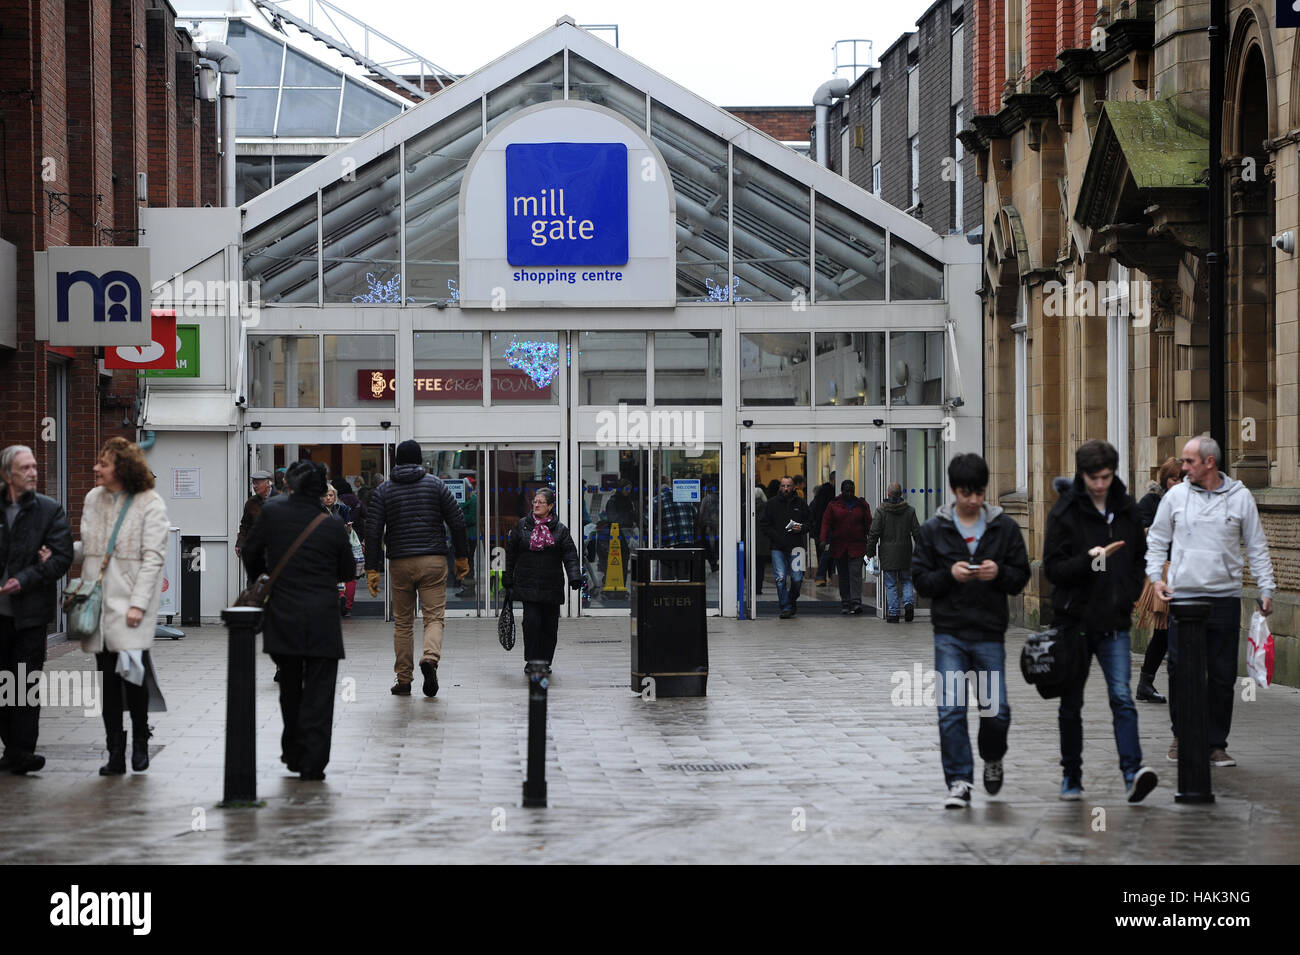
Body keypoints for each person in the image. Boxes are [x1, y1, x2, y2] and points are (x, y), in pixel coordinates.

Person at [1148, 436, 1275, 767]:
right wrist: (1156, 579)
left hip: (1224, 597)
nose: (1183, 467)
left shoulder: (1240, 498)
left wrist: (1266, 589)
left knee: (1220, 674)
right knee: (1180, 669)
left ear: (1209, 463)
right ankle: (1182, 735)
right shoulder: (1175, 497)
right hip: (1183, 597)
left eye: (1190, 462)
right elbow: (1158, 539)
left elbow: (1257, 546)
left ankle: (1216, 743)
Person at [912, 453, 1030, 809]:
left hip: (989, 632)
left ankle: (992, 757)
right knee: (951, 710)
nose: (974, 500)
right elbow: (920, 581)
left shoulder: (1003, 527)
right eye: (967, 493)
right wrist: (950, 575)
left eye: (979, 493)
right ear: (954, 491)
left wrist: (1000, 573)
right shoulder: (935, 529)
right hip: (949, 632)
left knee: (997, 712)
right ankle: (959, 781)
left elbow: (1021, 574)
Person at [1042, 439, 1157, 803]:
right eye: (1093, 478)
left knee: (1122, 697)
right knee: (1071, 702)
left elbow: (1139, 556)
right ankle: (1071, 777)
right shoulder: (1065, 512)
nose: (1099, 485)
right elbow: (1053, 569)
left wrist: (1130, 591)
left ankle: (1132, 773)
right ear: (1082, 474)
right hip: (1073, 621)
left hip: (1114, 621)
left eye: (1105, 477)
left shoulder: (1126, 510)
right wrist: (1088, 560)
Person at [243, 461, 354, 780]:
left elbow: (250, 552)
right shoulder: (331, 524)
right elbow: (347, 572)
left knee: (290, 686)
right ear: (321, 489)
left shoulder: (273, 513)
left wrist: (263, 576)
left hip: (283, 614)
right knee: (320, 691)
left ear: (288, 484)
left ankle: (293, 748)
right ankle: (314, 760)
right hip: (322, 619)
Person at [76, 437, 170, 776]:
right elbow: (89, 549)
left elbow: (153, 558)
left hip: (131, 606)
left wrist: (139, 604)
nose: (95, 468)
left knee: (133, 678)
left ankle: (140, 742)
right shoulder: (92, 499)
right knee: (108, 684)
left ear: (122, 468)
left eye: (103, 463)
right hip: (99, 605)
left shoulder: (150, 503)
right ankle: (115, 751)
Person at [364, 440, 468, 698]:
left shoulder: (384, 490)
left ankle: (403, 680)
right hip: (433, 560)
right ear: (420, 460)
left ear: (397, 461)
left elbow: (374, 531)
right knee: (434, 617)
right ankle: (430, 659)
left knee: (403, 623)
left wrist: (371, 568)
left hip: (400, 562)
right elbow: (457, 521)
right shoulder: (436, 485)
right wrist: (462, 557)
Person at [0, 445, 73, 775]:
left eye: (34, 466)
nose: (33, 472)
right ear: (7, 475)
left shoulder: (50, 510)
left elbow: (60, 558)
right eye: (25, 468)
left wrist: (25, 578)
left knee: (22, 684)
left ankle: (22, 752)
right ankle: (13, 748)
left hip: (29, 615)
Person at [503, 487, 582, 672]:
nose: (536, 505)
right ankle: (532, 661)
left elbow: (570, 555)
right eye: (535, 502)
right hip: (527, 583)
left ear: (551, 506)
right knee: (531, 622)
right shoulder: (522, 525)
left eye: (541, 502)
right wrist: (507, 577)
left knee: (549, 626)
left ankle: (545, 661)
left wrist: (575, 577)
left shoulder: (561, 530)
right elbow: (511, 553)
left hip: (551, 585)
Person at [1132, 456, 1183, 704]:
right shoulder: (1151, 501)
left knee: (1176, 630)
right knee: (1164, 631)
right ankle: (1145, 683)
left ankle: (1148, 683)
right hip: (1162, 573)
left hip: (1187, 573)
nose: (1179, 482)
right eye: (1174, 478)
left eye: (1182, 478)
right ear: (1165, 479)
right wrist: (1161, 526)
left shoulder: (1190, 500)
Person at [867, 482, 922, 623]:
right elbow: (917, 532)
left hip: (888, 553)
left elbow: (874, 533)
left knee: (891, 583)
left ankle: (894, 613)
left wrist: (870, 551)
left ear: (888, 493)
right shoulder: (910, 510)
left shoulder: (881, 511)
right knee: (906, 580)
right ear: (901, 494)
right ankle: (908, 603)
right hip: (905, 552)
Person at [759, 476, 811, 619]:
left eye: (788, 486)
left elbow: (809, 522)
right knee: (780, 578)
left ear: (794, 487)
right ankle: (786, 607)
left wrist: (801, 528)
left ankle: (791, 599)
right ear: (780, 487)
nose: (786, 488)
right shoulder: (771, 504)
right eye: (783, 485)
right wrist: (776, 536)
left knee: (797, 579)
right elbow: (764, 524)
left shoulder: (800, 504)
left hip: (796, 547)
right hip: (777, 547)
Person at [820, 479, 871, 614]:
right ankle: (845, 601)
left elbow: (868, 522)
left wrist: (871, 537)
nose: (849, 493)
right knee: (843, 575)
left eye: (851, 491)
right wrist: (823, 539)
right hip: (839, 546)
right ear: (842, 491)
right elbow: (826, 522)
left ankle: (856, 602)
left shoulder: (861, 505)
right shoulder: (833, 505)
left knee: (855, 574)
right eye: (847, 491)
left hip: (857, 545)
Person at [323, 484, 357, 617]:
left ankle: (345, 604)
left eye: (331, 495)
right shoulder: (317, 510)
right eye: (325, 495)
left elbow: (348, 525)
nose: (328, 498)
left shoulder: (342, 508)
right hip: (325, 547)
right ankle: (336, 601)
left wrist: (347, 529)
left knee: (347, 576)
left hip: (341, 545)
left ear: (335, 496)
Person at [657, 476, 698, 578]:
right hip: (685, 541)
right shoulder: (684, 496)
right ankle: (684, 591)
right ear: (670, 484)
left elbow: (647, 517)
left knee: (667, 574)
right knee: (683, 572)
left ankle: (669, 592)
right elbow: (695, 512)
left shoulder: (657, 500)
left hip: (668, 542)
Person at [235, 470, 275, 562]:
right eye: (253, 483)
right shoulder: (251, 503)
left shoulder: (281, 499)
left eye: (257, 483)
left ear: (268, 483)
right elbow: (245, 526)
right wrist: (239, 544)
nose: (254, 486)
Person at [809, 475, 836, 587]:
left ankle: (824, 576)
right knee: (827, 552)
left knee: (824, 553)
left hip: (820, 530)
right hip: (826, 529)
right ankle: (823, 575)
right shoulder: (828, 494)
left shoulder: (820, 496)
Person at [752, 483, 771, 595]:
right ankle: (758, 588)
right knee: (760, 567)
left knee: (751, 566)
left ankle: (751, 587)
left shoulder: (746, 507)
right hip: (763, 542)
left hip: (750, 541)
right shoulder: (767, 507)